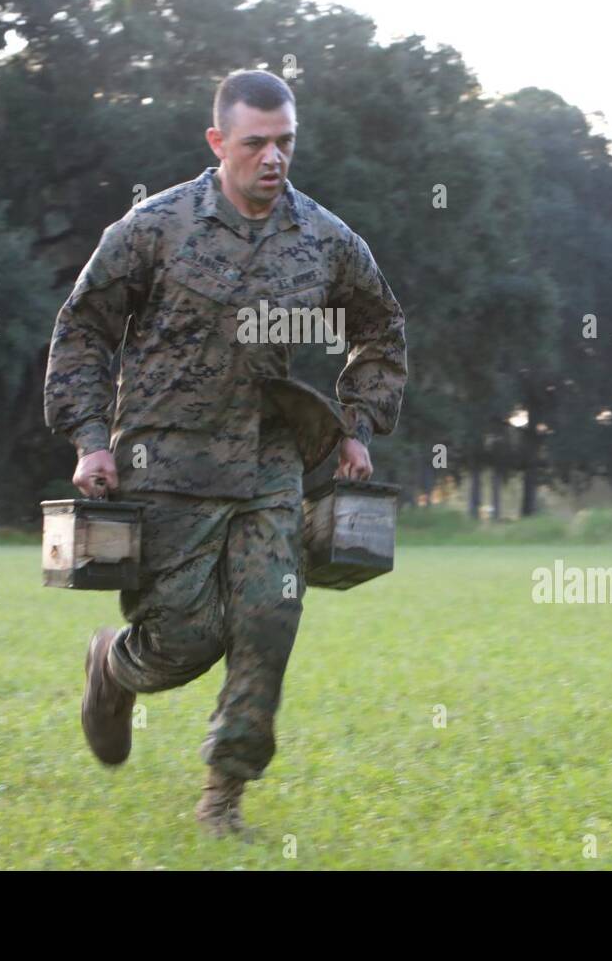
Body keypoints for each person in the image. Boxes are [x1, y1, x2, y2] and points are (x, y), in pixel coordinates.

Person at [43, 68, 407, 838]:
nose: (274, 158)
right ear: (219, 142)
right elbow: (83, 329)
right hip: (164, 460)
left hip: (269, 459)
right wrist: (89, 439)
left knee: (270, 615)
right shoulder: (156, 226)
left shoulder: (325, 239)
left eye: (286, 143)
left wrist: (356, 425)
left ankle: (223, 800)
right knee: (183, 640)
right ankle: (112, 664)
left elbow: (381, 329)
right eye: (256, 143)